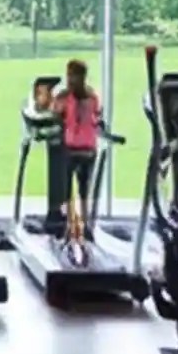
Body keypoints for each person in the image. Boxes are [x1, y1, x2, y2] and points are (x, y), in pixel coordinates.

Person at [51, 59, 101, 235]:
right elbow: (97, 115)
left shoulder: (65, 97)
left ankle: (73, 225)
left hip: (73, 149)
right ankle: (82, 225)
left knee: (69, 190)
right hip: (87, 148)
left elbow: (55, 113)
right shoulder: (92, 96)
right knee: (83, 189)